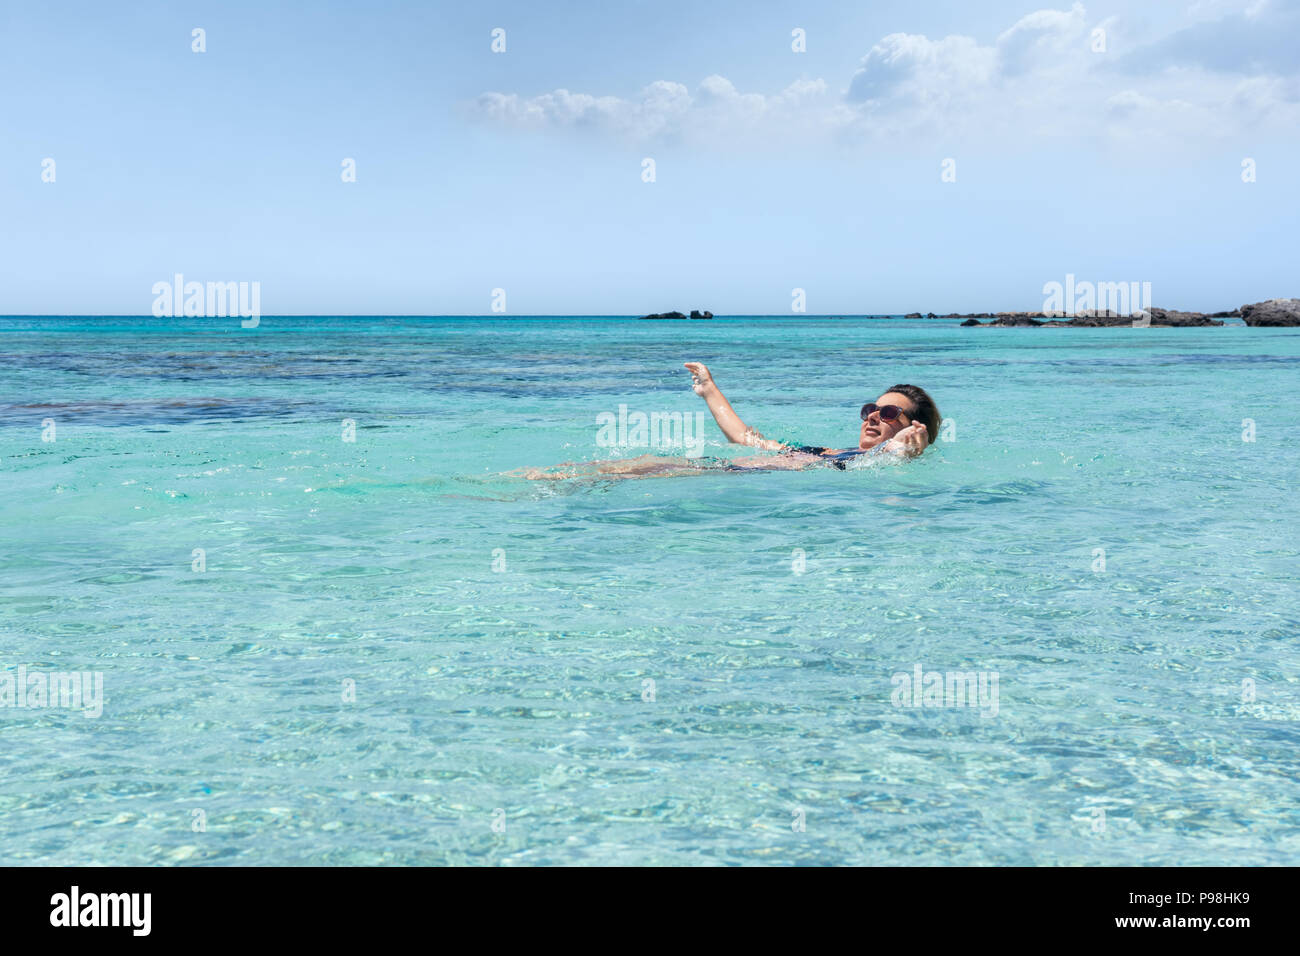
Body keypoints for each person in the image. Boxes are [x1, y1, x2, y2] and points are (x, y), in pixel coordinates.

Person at [519, 363, 941, 479]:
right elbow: (745, 438)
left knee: (626, 470)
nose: (872, 417)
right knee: (617, 468)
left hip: (727, 477)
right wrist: (708, 389)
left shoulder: (886, 457)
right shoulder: (832, 452)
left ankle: (523, 488)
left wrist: (905, 446)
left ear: (910, 427)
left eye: (888, 413)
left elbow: (896, 461)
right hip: (726, 468)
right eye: (870, 409)